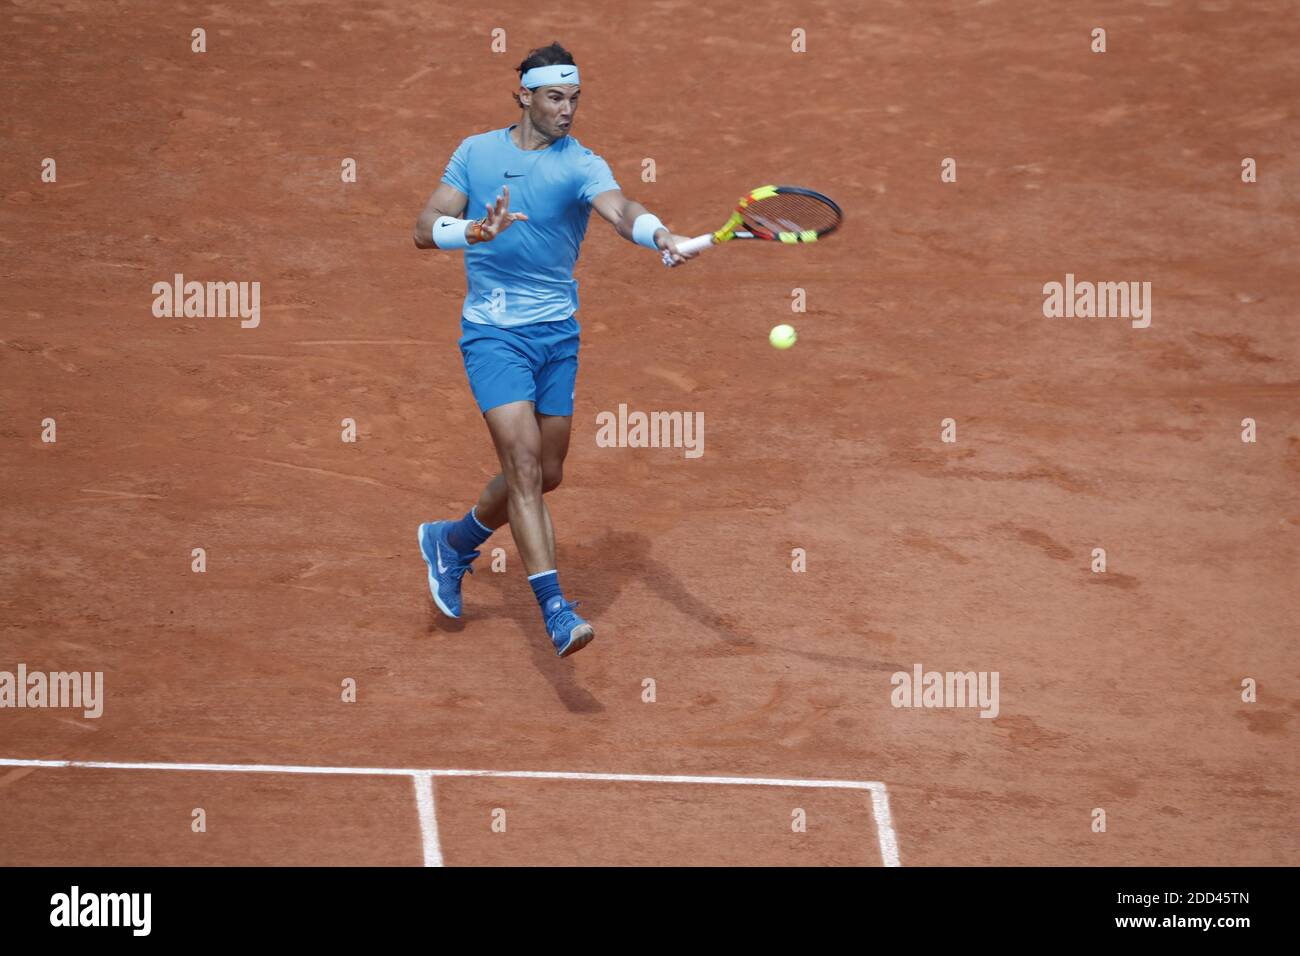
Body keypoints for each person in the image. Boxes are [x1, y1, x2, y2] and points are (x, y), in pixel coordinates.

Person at [412, 41, 696, 657]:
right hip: (492, 332)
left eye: (574, 99)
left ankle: (453, 540)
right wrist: (471, 231)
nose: (568, 110)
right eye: (555, 97)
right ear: (525, 96)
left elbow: (621, 210)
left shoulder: (581, 163)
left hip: (556, 335)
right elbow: (423, 227)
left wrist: (659, 234)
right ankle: (557, 610)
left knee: (547, 473)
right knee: (522, 466)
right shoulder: (475, 152)